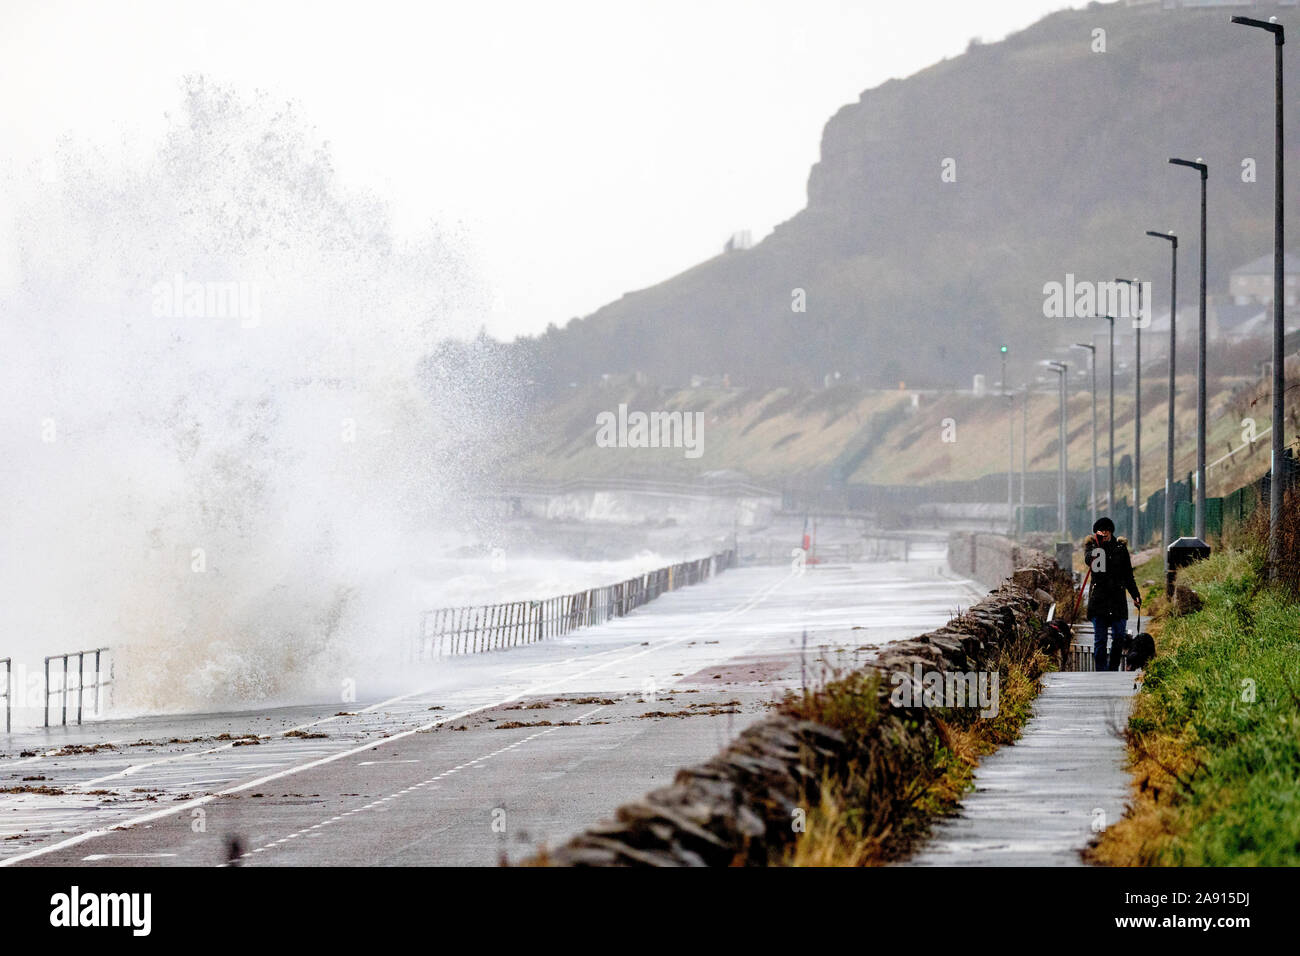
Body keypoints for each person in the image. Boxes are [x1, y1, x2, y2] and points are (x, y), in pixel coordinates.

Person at [1084, 516, 1140, 671]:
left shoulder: (1121, 549)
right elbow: (1089, 561)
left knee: (1119, 638)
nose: (1105, 533)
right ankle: (1101, 670)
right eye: (1101, 531)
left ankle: (1113, 669)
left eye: (1107, 531)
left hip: (1117, 600)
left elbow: (1128, 575)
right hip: (1099, 601)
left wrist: (1135, 595)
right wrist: (1099, 547)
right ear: (1096, 533)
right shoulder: (1092, 548)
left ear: (1111, 531)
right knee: (1100, 640)